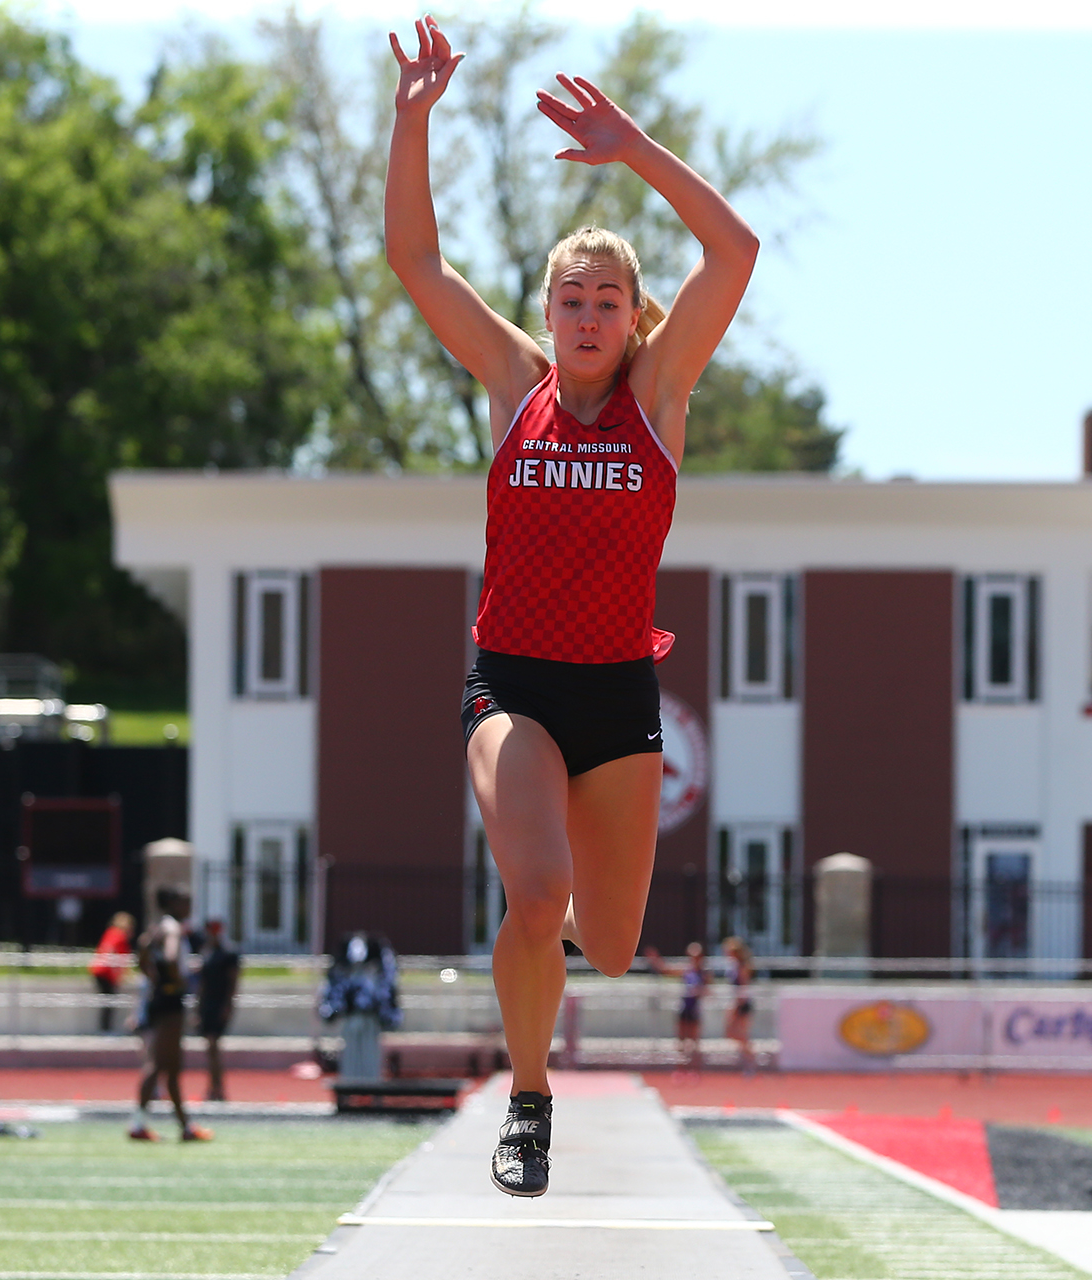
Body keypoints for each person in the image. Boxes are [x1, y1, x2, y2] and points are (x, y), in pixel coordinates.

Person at [386, 13, 758, 1197]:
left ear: (633, 316)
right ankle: (529, 1099)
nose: (588, 317)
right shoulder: (513, 383)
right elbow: (416, 261)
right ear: (546, 314)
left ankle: (548, 1000)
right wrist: (412, 121)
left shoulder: (662, 391)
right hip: (513, 684)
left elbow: (736, 250)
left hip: (617, 691)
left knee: (611, 941)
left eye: (607, 300)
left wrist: (633, 147)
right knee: (537, 892)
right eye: (571, 300)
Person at [130, 888, 207, 1142]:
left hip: (159, 999)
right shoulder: (173, 928)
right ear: (172, 903)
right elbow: (172, 957)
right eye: (185, 901)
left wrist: (154, 978)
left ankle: (186, 1126)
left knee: (172, 1067)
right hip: (170, 1001)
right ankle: (138, 1125)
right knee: (158, 1064)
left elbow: (142, 952)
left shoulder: (157, 927)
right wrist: (177, 982)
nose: (189, 907)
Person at [317, 932, 402, 1081]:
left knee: (370, 1052)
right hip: (351, 1018)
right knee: (350, 1052)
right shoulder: (342, 972)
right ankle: (350, 1083)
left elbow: (387, 991)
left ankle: (372, 1083)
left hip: (371, 1019)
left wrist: (387, 1014)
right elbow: (333, 992)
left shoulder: (377, 972)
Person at [646, 943, 709, 1073]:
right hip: (684, 1007)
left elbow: (708, 990)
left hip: (695, 1009)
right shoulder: (687, 970)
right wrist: (655, 960)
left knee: (694, 1042)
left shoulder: (704, 973)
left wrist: (699, 991)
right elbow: (666, 970)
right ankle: (680, 1069)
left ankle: (695, 1070)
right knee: (680, 1041)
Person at [197, 919, 240, 1103]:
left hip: (219, 1003)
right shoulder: (206, 952)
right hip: (207, 1004)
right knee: (210, 1049)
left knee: (213, 1046)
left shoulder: (229, 953)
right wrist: (197, 1008)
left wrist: (228, 1006)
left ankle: (217, 1088)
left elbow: (233, 982)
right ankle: (213, 1087)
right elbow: (202, 983)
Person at [90, 912, 135, 1035]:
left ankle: (105, 1028)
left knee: (107, 1002)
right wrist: (118, 975)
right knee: (109, 1002)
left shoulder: (110, 933)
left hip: (99, 970)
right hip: (106, 973)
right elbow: (113, 954)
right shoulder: (119, 936)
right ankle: (105, 1030)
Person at [723, 937, 757, 1075]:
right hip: (736, 1002)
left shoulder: (742, 967)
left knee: (740, 1033)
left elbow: (743, 986)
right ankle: (748, 1058)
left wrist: (737, 1006)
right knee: (731, 1033)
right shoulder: (733, 966)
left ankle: (749, 1062)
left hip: (742, 1003)